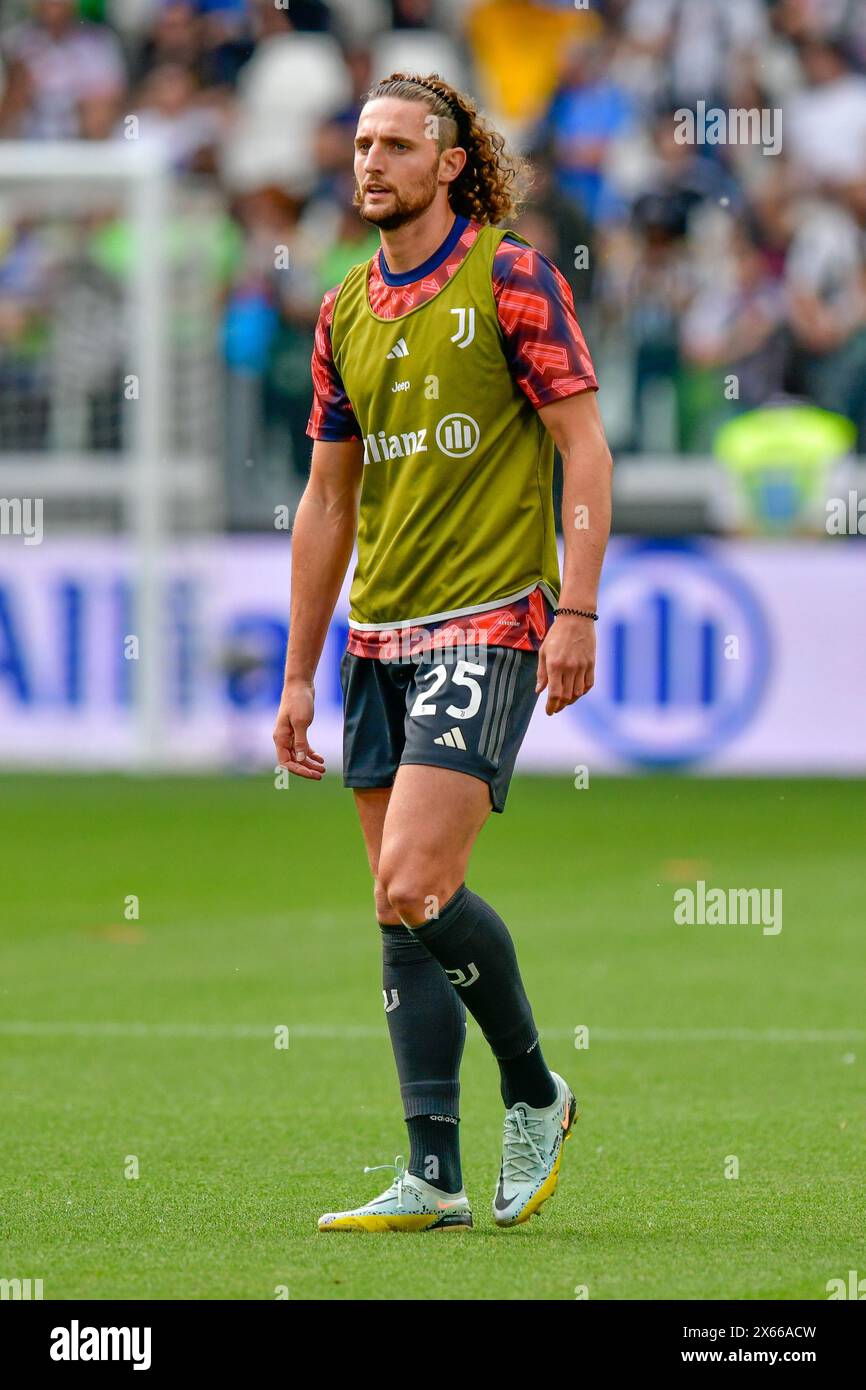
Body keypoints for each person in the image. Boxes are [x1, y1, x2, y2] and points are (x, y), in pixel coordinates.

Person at [273, 71, 612, 1232]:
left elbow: (583, 448)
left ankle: (535, 1091)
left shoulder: (508, 276)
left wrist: (577, 610)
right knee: (397, 903)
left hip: (490, 616)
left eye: (396, 144)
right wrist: (296, 671)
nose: (370, 162)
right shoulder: (339, 314)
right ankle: (432, 1172)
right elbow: (325, 501)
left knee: (417, 879)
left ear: (450, 160)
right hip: (378, 633)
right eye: (359, 143)